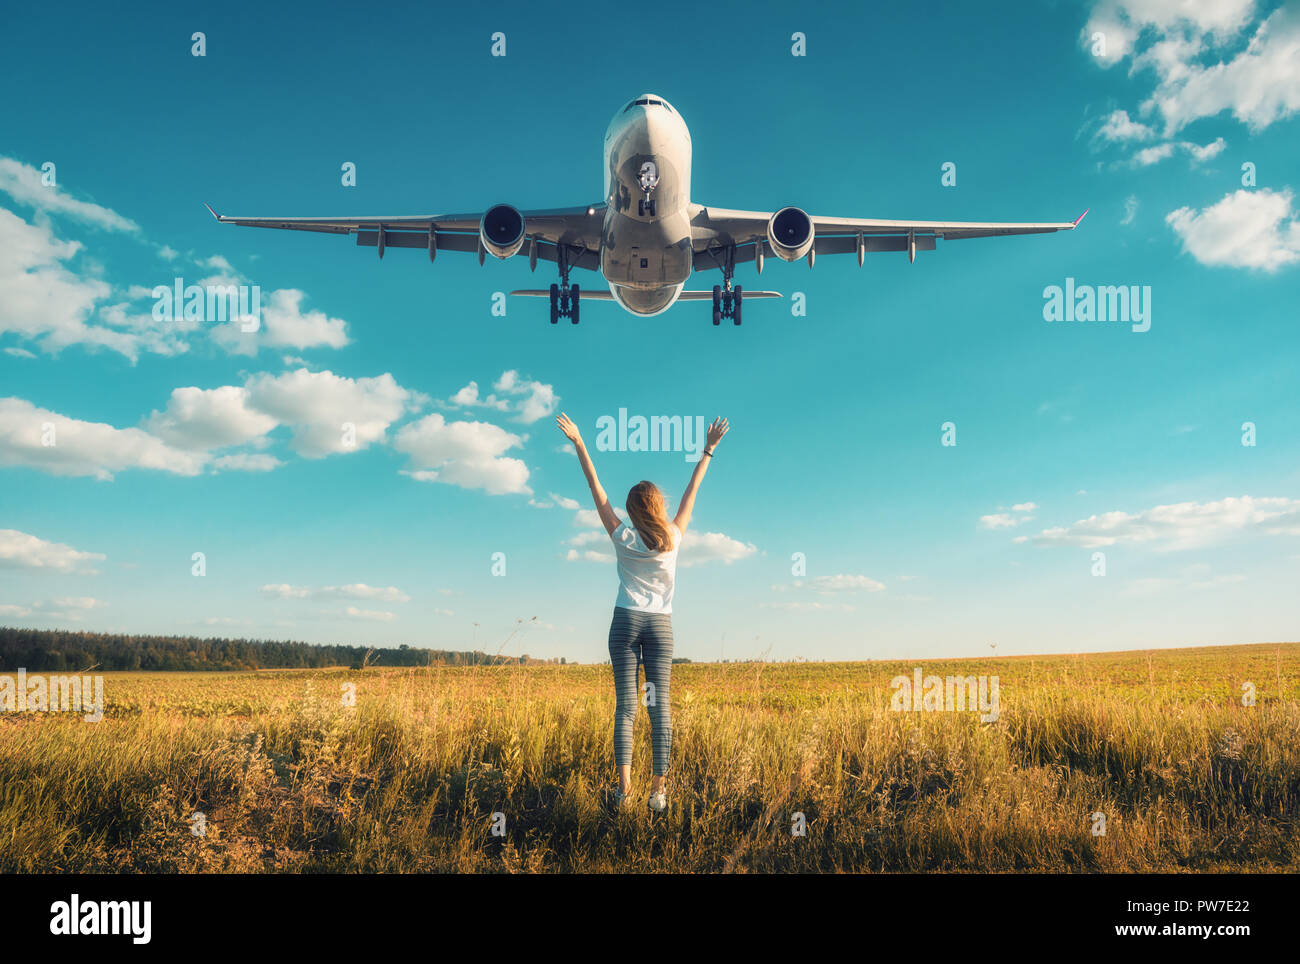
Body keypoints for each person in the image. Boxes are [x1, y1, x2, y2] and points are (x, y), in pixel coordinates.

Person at [555, 412, 729, 812]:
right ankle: (659, 795)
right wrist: (708, 450)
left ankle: (623, 793)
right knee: (659, 708)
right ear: (657, 506)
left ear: (633, 511)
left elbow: (595, 489)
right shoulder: (673, 536)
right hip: (659, 626)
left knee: (627, 708)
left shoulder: (621, 534)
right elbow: (692, 491)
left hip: (624, 622)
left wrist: (580, 442)